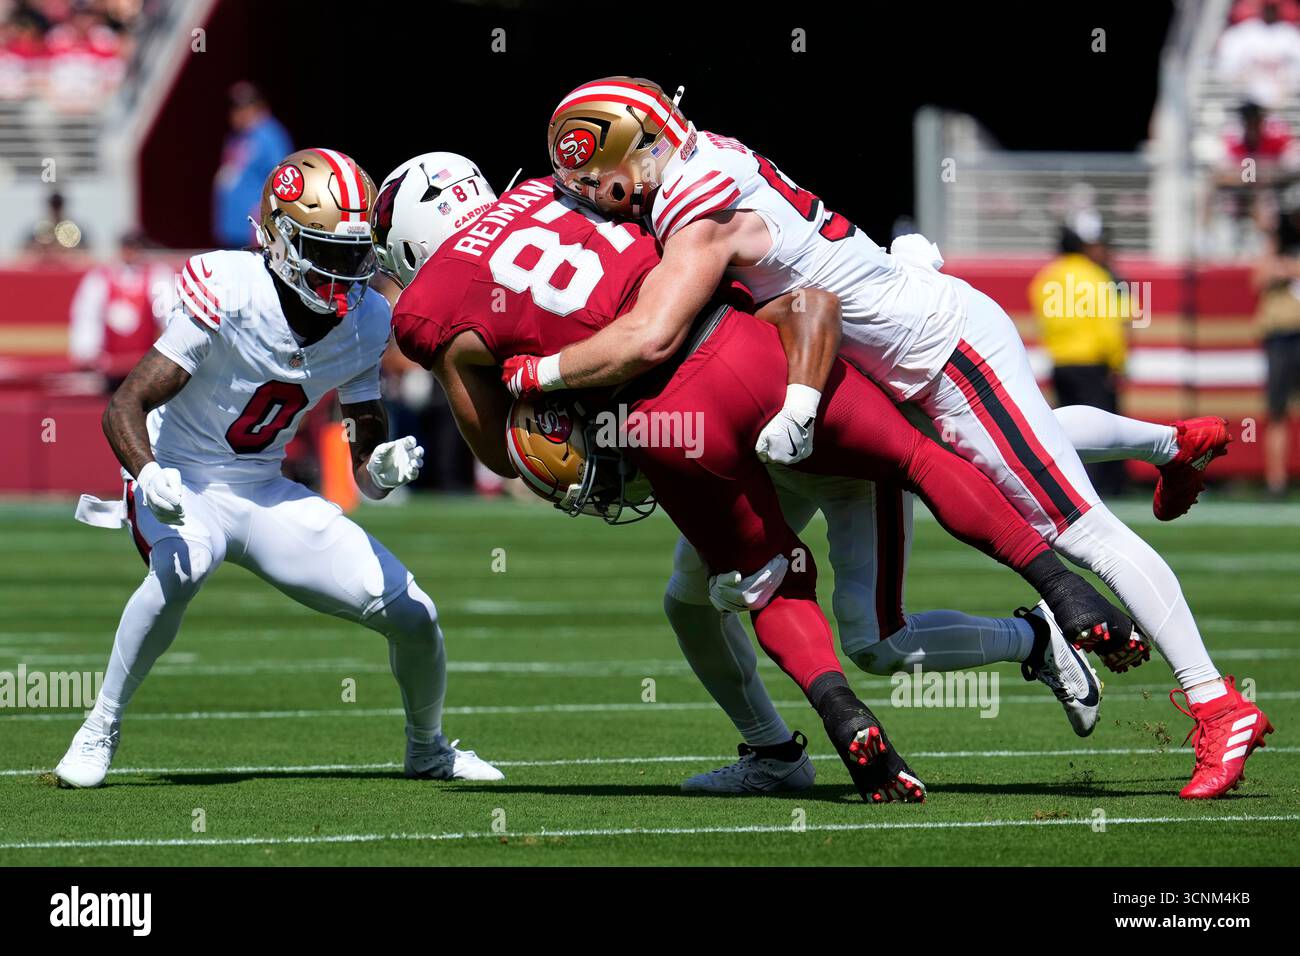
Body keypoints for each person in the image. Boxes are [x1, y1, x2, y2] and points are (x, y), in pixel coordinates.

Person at [526, 77, 1270, 799]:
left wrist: (540, 373)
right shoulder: (700, 164)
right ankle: (1170, 445)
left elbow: (651, 336)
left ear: (632, 142)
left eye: (590, 170)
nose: (589, 188)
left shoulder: (697, 203)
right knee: (1007, 469)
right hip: (876, 375)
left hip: (938, 352)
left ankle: (1218, 704)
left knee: (1079, 528)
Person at [384, 167, 1137, 804]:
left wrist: (542, 400)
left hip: (662, 420)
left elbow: (495, 450)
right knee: (913, 460)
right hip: (756, 347)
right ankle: (1058, 591)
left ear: (412, 243)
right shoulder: (564, 185)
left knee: (773, 587)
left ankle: (842, 715)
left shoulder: (431, 303)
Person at [54, 148, 501, 789]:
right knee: (184, 568)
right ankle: (99, 726)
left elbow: (365, 474)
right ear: (281, 239)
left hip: (262, 488)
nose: (347, 272)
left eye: (355, 254)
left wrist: (385, 468)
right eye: (329, 251)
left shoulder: (368, 321)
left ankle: (427, 749)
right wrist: (148, 474)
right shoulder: (227, 287)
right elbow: (126, 403)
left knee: (415, 614)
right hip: (181, 475)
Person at [1028, 212, 1129, 497]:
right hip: (1092, 362)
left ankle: (1071, 485)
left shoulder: (1047, 276)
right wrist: (1117, 362)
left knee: (1067, 428)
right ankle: (1096, 489)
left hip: (1060, 362)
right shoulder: (1096, 276)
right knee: (1098, 427)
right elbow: (1109, 326)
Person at [67, 230, 171, 390]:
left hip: (145, 363)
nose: (131, 252)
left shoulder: (157, 276)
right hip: (108, 364)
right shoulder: (100, 278)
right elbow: (87, 316)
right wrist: (87, 351)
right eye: (127, 247)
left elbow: (169, 316)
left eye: (135, 247)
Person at [1254, 189, 1300, 494]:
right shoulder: (1275, 247)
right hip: (1282, 336)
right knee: (1277, 411)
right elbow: (1257, 279)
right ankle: (1276, 481)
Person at [212, 82, 292, 248]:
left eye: (245, 106)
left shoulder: (270, 136)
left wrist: (266, 216)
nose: (238, 113)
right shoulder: (235, 138)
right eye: (234, 107)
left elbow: (282, 179)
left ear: (259, 106)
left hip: (254, 231)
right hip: (230, 228)